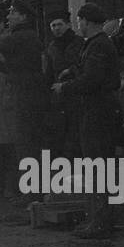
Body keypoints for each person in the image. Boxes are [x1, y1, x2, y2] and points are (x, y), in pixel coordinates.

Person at [52, 3, 121, 238]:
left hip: (97, 111)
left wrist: (65, 87)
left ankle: (100, 223)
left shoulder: (98, 44)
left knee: (97, 165)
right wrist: (72, 71)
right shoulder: (95, 43)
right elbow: (87, 68)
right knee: (95, 165)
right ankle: (96, 219)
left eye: (79, 21)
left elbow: (92, 79)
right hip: (95, 110)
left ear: (87, 22)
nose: (78, 25)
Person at [0, 0, 49, 195]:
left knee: (25, 147)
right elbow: (19, 66)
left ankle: (30, 193)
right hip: (24, 97)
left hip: (23, 98)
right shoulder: (26, 36)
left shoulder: (19, 37)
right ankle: (28, 192)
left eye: (13, 12)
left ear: (23, 17)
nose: (9, 16)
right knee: (24, 147)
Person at [44, 10, 84, 156]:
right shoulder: (52, 47)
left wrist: (71, 70)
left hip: (78, 95)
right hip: (59, 97)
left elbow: (86, 66)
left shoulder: (80, 43)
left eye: (59, 24)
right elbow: (49, 73)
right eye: (53, 25)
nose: (56, 28)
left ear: (68, 25)